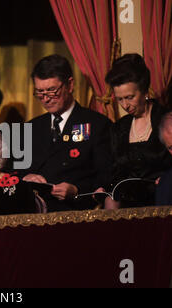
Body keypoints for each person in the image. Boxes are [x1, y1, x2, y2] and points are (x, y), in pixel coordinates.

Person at [21, 54, 113, 212]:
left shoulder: (98, 124)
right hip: (34, 214)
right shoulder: (28, 127)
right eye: (40, 93)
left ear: (70, 85)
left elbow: (107, 176)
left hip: (78, 214)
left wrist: (78, 191)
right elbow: (9, 173)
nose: (46, 99)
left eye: (51, 91)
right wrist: (25, 179)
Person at [100, 53, 172, 209]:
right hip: (127, 208)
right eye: (120, 99)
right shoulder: (118, 128)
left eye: (130, 97)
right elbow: (114, 174)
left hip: (165, 202)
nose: (125, 105)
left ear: (145, 91)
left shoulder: (168, 120)